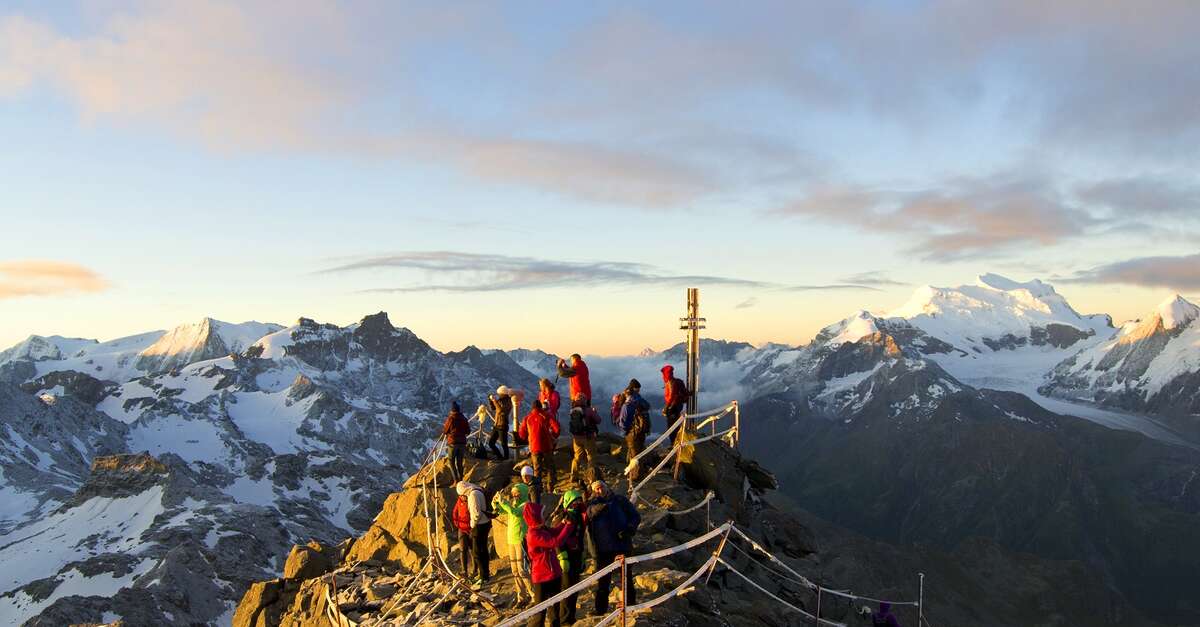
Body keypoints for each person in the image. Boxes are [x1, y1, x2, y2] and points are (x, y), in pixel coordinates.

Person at [585, 480, 640, 615]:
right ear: (593, 491)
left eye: (601, 487)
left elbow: (635, 516)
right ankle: (600, 610)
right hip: (603, 550)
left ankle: (630, 605)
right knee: (603, 582)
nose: (600, 490)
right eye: (596, 489)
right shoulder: (591, 504)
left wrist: (630, 529)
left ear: (607, 486)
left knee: (626, 577)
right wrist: (600, 506)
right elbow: (590, 514)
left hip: (622, 545)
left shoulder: (620, 500)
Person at [523, 502, 575, 627]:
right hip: (541, 577)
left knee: (554, 609)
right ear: (535, 516)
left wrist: (563, 522)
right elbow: (555, 542)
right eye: (541, 514)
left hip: (554, 573)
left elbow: (555, 532)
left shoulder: (541, 528)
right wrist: (568, 526)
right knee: (540, 612)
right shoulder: (533, 534)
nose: (544, 515)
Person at [492, 483, 535, 607]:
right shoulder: (514, 503)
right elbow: (502, 511)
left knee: (523, 570)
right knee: (515, 570)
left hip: (521, 539)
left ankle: (533, 595)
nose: (514, 495)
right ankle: (522, 597)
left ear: (522, 493)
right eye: (513, 493)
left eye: (517, 493)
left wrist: (504, 502)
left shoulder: (525, 504)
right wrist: (496, 503)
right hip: (511, 540)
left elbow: (515, 512)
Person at [554, 489, 587, 624]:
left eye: (578, 501)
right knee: (566, 589)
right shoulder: (564, 517)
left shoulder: (579, 516)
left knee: (575, 588)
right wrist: (562, 557)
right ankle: (565, 620)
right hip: (566, 556)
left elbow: (580, 536)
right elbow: (557, 539)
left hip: (577, 555)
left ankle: (571, 617)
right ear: (568, 503)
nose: (577, 504)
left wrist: (583, 555)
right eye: (574, 501)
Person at [518, 399, 561, 495]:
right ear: (541, 407)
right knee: (550, 467)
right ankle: (550, 488)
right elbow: (557, 429)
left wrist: (528, 438)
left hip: (534, 447)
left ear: (532, 408)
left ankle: (538, 489)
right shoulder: (546, 415)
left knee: (537, 469)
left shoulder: (528, 418)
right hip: (546, 446)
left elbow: (521, 434)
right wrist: (553, 437)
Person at [453, 480, 492, 586]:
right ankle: (484, 574)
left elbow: (475, 513)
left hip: (479, 525)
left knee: (477, 552)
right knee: (482, 550)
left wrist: (472, 525)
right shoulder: (478, 491)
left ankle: (483, 576)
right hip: (485, 523)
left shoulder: (472, 495)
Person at [618, 380, 651, 480]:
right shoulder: (639, 399)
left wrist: (625, 432)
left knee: (634, 454)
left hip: (632, 432)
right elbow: (648, 406)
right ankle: (638, 473)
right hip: (641, 430)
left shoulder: (628, 402)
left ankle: (635, 477)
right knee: (639, 452)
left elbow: (623, 420)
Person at [567, 402, 600, 486]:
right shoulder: (589, 410)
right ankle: (591, 477)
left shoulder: (572, 411)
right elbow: (598, 420)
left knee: (577, 457)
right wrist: (594, 412)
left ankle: (573, 476)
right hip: (588, 437)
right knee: (591, 456)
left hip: (576, 438)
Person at [443, 401, 471, 481]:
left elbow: (445, 431)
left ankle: (456, 480)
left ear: (452, 411)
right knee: (459, 462)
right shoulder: (464, 419)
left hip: (453, 443)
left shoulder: (450, 419)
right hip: (462, 443)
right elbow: (468, 431)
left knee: (451, 461)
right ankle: (461, 479)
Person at [660, 365, 688, 435]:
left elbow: (671, 397)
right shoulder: (677, 381)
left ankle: (674, 444)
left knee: (672, 427)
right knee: (675, 425)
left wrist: (666, 408)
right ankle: (676, 442)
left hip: (673, 408)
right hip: (677, 406)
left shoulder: (671, 382)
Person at [489, 386, 515, 460]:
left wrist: (494, 401)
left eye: (500, 394)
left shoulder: (508, 402)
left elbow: (500, 410)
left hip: (502, 425)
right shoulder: (500, 400)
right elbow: (493, 408)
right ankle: (500, 457)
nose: (499, 395)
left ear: (503, 393)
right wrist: (490, 401)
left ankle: (506, 459)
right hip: (497, 424)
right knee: (491, 443)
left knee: (504, 444)